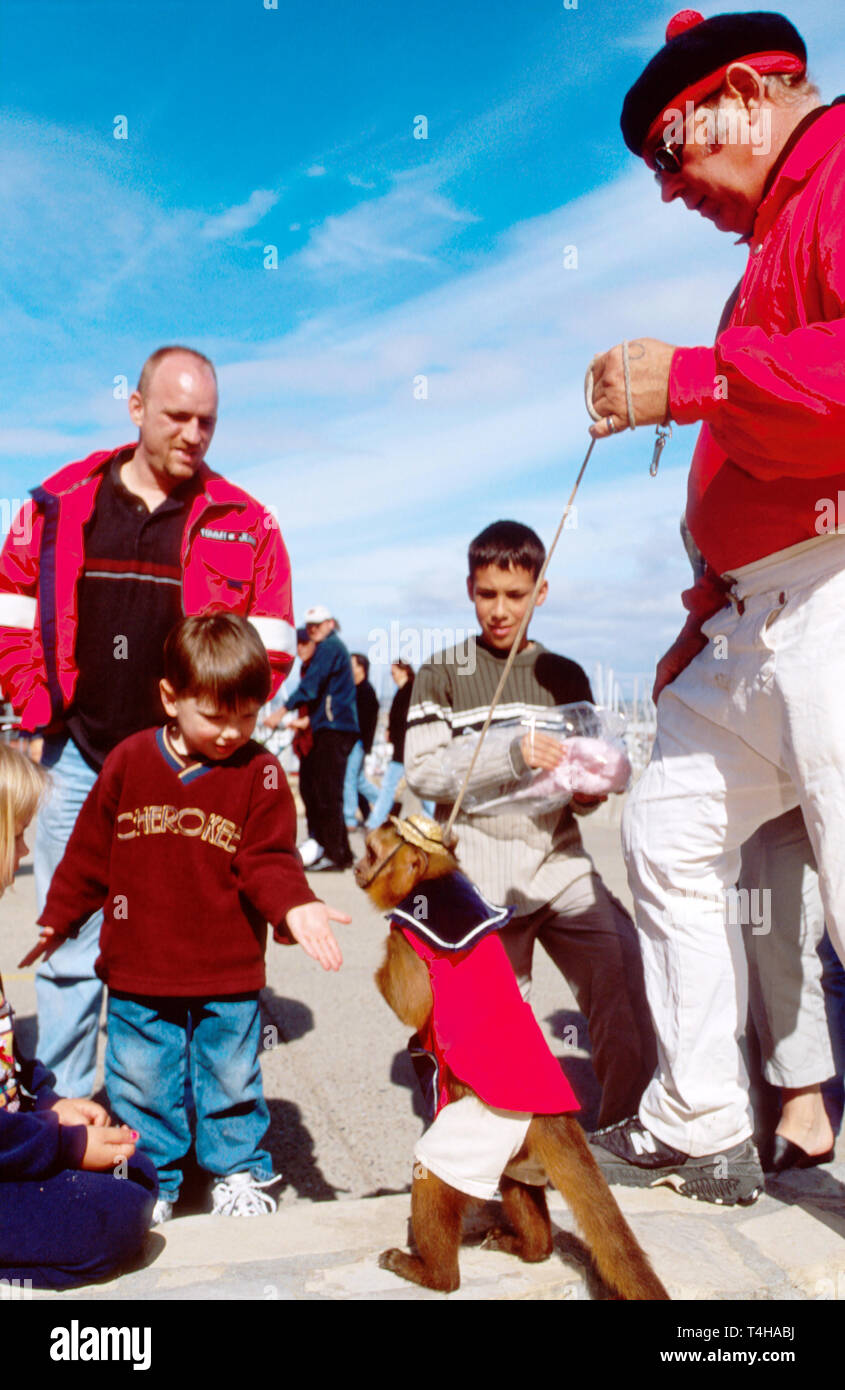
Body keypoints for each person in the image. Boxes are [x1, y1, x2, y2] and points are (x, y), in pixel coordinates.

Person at [586, 8, 845, 1203]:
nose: (665, 189)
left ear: (745, 89)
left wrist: (689, 378)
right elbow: (752, 457)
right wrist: (702, 614)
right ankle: (701, 1118)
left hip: (834, 589)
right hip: (755, 617)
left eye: (670, 150)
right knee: (666, 830)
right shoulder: (766, 248)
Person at [0, 345, 296, 1099]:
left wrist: (216, 730)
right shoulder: (58, 502)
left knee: (182, 937)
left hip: (186, 770)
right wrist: (37, 706)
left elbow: (273, 645)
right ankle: (64, 1112)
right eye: (177, 416)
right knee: (66, 939)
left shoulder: (248, 522)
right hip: (79, 757)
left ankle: (186, 1127)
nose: (194, 435)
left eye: (208, 421)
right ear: (136, 410)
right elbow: (8, 605)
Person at [23, 614, 347, 1225]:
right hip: (140, 968)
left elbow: (270, 858)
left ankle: (238, 1170)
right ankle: (154, 1176)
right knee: (142, 1080)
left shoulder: (261, 774)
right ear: (171, 698)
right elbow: (89, 851)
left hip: (228, 970)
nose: (232, 733)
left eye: (248, 716)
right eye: (215, 716)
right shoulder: (128, 762)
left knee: (230, 1079)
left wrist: (295, 903)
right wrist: (60, 917)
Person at [404, 521, 656, 1130]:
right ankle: (493, 1157)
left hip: (560, 864)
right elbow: (425, 773)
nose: (499, 610)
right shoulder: (440, 672)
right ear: (469, 589)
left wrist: (593, 792)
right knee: (490, 1030)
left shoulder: (565, 676)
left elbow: (577, 783)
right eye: (487, 594)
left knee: (626, 973)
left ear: (540, 592)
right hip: (480, 877)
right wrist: (513, 751)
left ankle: (627, 1127)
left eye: (515, 595)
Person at [0, 744, 157, 1288]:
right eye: (17, 834)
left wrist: (50, 1101)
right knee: (112, 1221)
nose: (24, 850)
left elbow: (8, 1063)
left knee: (137, 1169)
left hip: (12, 1144)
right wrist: (62, 1142)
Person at [267, 605, 359, 872]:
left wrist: (281, 710)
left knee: (327, 793)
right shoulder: (330, 648)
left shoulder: (329, 648)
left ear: (330, 623)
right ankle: (340, 852)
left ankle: (333, 853)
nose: (313, 630)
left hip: (334, 729)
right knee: (327, 792)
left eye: (317, 625)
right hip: (332, 727)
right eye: (309, 626)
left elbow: (311, 687)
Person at [367, 661, 434, 828]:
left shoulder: (411, 690)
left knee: (401, 785)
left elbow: (407, 719)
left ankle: (375, 822)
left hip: (408, 747)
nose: (392, 676)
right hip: (401, 748)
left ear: (404, 671)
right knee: (394, 785)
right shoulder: (402, 691)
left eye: (394, 672)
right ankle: (376, 821)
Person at [343, 652, 381, 829]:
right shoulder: (355, 689)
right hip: (356, 743)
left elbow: (364, 722)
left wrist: (360, 743)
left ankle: (349, 818)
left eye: (352, 664)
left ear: (361, 668)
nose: (349, 667)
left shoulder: (366, 692)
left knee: (349, 779)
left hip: (357, 743)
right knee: (358, 780)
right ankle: (384, 802)